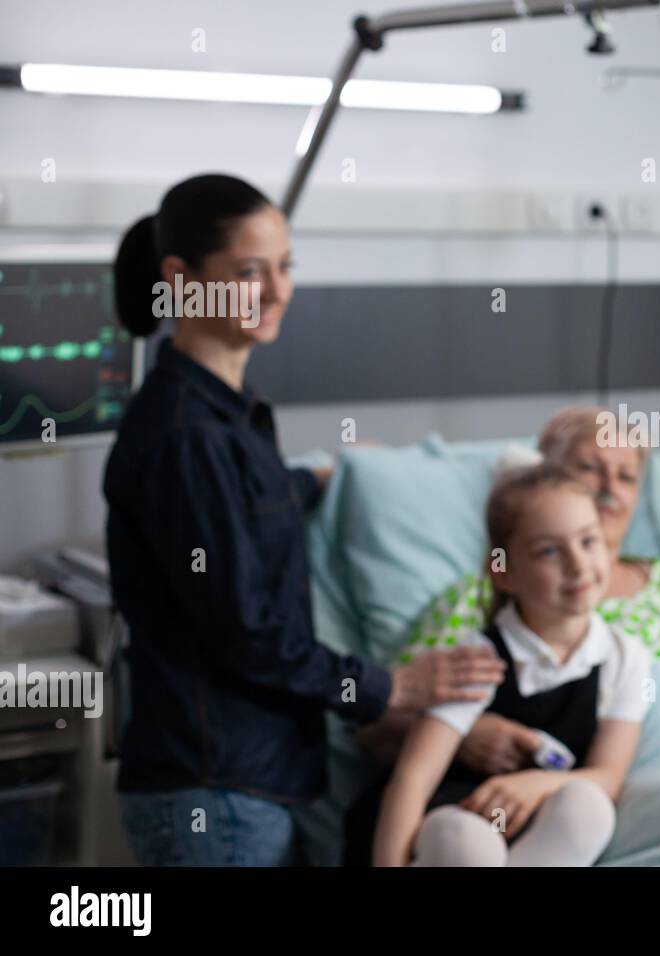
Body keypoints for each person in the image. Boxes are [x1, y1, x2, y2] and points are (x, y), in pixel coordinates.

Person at [103, 174, 504, 866]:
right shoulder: (186, 435)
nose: (276, 290)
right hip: (214, 796)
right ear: (180, 277)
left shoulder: (229, 419)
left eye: (286, 267)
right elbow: (246, 632)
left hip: (250, 786)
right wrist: (391, 687)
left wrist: (327, 478)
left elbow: (240, 510)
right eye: (249, 271)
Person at [357, 406, 660, 773]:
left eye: (627, 477)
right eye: (589, 469)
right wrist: (462, 736)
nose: (609, 490)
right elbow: (376, 724)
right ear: (542, 478)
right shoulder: (485, 597)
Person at [363, 464, 650, 866]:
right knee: (469, 842)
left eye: (588, 541)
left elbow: (608, 776)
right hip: (453, 823)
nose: (578, 564)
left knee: (589, 805)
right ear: (504, 573)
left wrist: (536, 785)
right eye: (549, 551)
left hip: (536, 829)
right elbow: (413, 779)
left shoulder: (625, 656)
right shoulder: (478, 659)